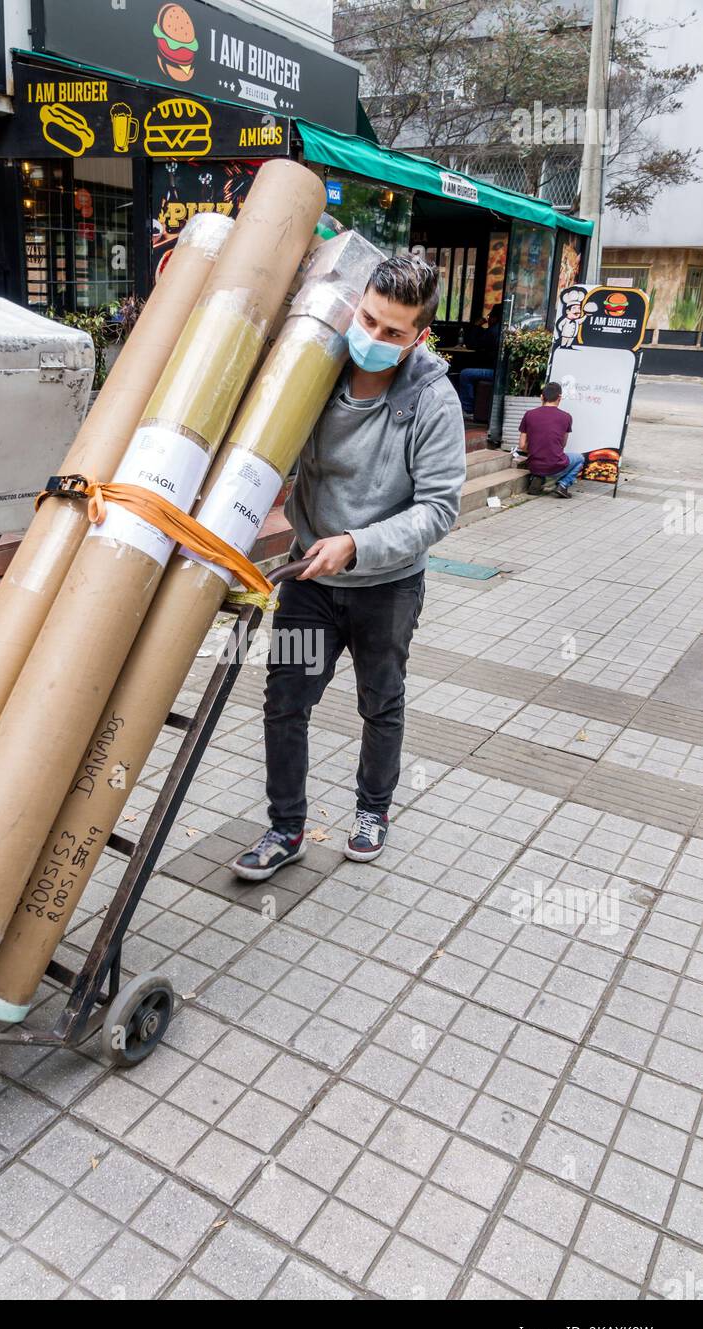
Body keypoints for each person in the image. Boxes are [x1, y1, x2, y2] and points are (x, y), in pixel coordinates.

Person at [231, 254, 466, 880]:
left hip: (384, 590)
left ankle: (372, 810)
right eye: (368, 319)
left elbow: (439, 509)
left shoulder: (430, 400)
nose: (374, 338)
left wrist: (357, 544)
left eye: (393, 332)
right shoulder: (318, 370)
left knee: (379, 702)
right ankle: (286, 827)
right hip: (310, 585)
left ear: (418, 336)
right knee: (286, 700)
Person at [518, 381, 585, 498]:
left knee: (542, 463)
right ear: (559, 397)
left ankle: (538, 478)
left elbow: (522, 446)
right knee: (579, 458)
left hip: (534, 466)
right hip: (555, 466)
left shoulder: (529, 414)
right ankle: (562, 485)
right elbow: (562, 444)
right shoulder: (566, 417)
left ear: (541, 397)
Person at [458, 303, 502, 419]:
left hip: (494, 372)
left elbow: (473, 345)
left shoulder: (493, 331)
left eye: (490, 316)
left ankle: (468, 410)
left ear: (494, 317)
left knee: (465, 374)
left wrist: (477, 326)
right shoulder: (500, 329)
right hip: (497, 370)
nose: (488, 318)